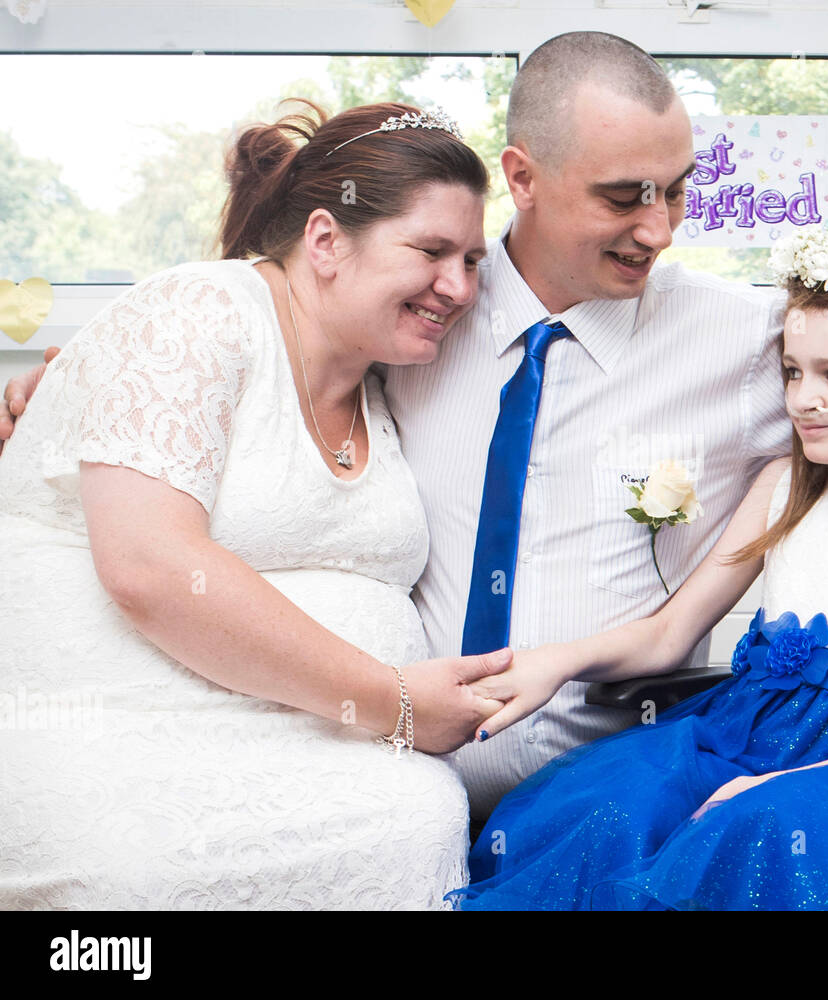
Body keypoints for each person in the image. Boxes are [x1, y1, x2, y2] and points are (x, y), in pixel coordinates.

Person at [2, 32, 828, 828]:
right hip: (374, 755)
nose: (658, 227)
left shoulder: (744, 342)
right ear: (520, 176)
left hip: (599, 766)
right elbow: (246, 350)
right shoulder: (417, 317)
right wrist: (71, 388)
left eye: (678, 191)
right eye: (623, 196)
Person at [0, 100, 512, 908]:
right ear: (325, 240)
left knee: (416, 820)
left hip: (322, 751)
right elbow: (150, 567)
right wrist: (398, 705)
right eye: (432, 251)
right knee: (143, 872)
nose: (460, 287)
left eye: (475, 259)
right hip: (122, 739)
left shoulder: (388, 383)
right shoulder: (196, 312)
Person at [447, 233, 828, 910]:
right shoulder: (785, 487)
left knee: (761, 830)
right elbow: (670, 633)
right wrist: (558, 661)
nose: (803, 400)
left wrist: (772, 788)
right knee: (617, 803)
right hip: (746, 735)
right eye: (792, 372)